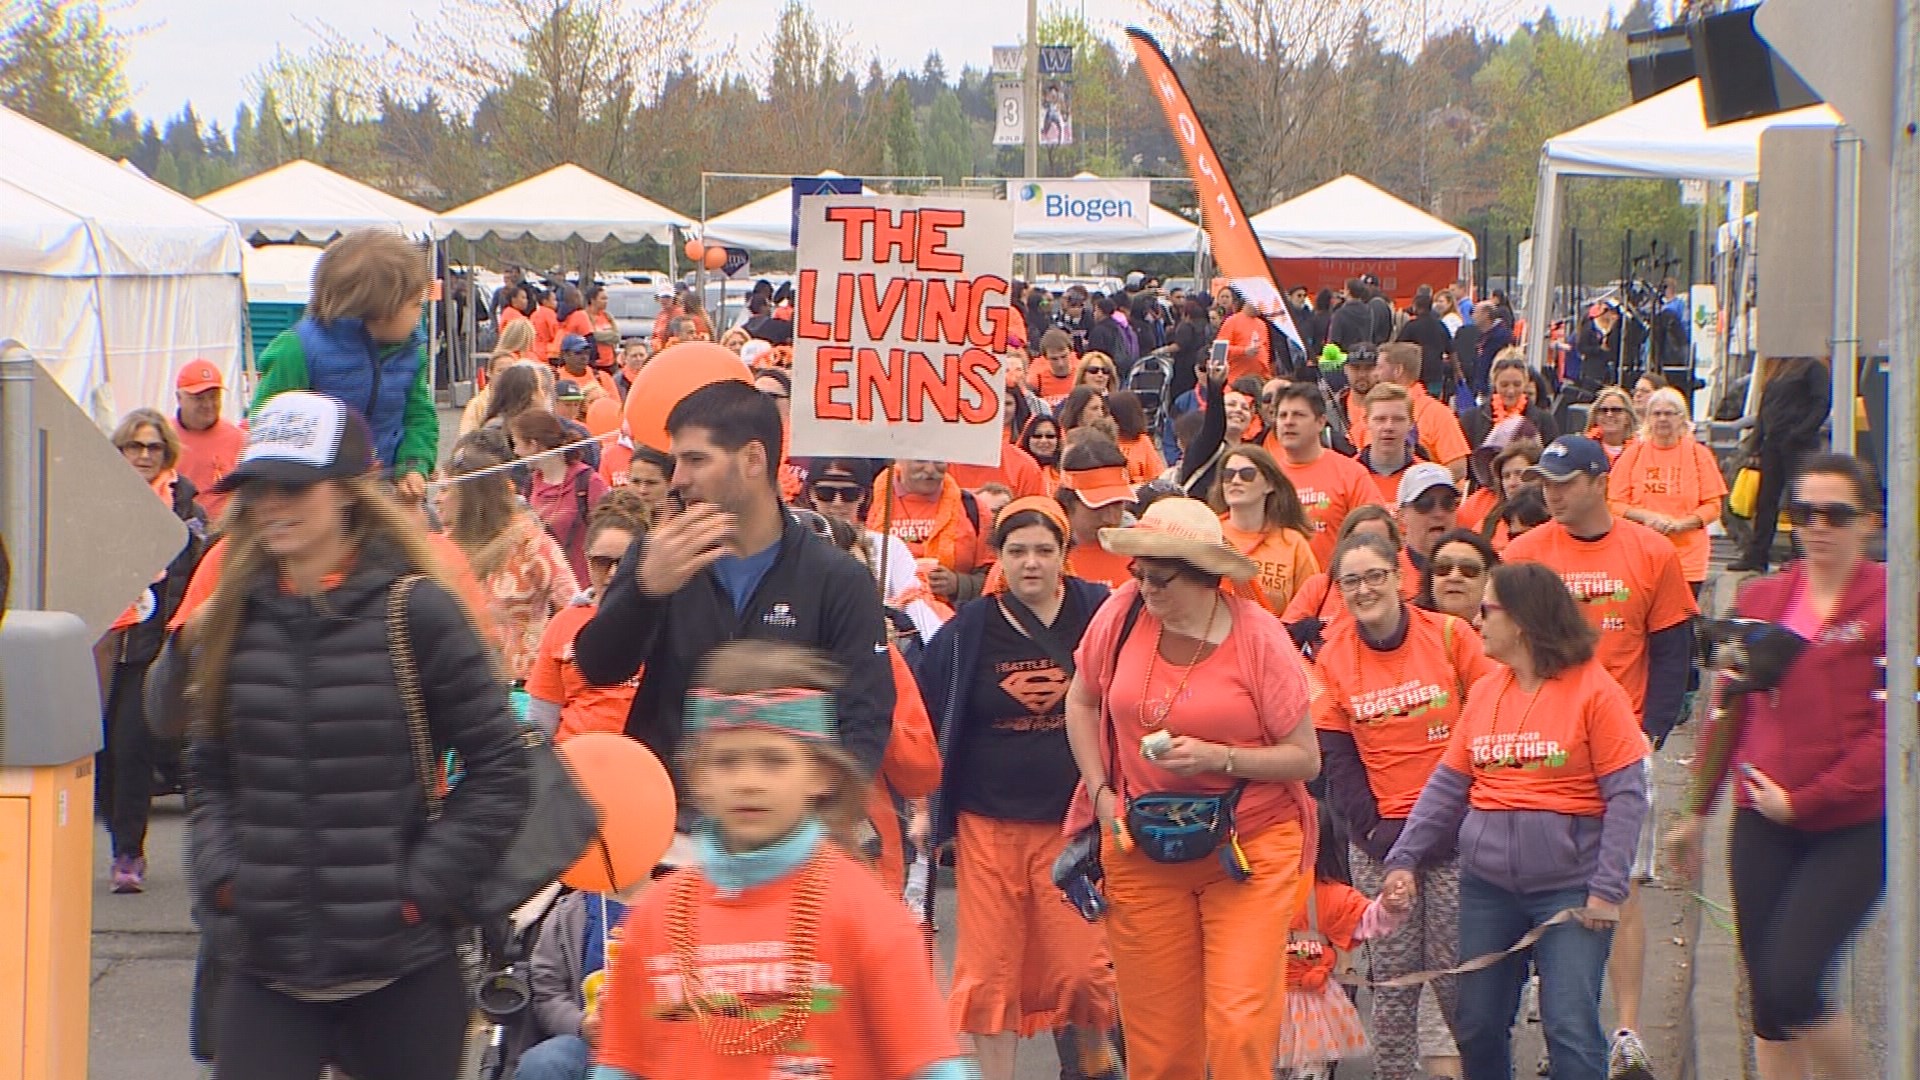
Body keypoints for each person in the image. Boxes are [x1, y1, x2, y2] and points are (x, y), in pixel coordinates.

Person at [183, 392, 529, 1080]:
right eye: (256, 488)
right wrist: (225, 879)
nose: (271, 504)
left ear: (345, 491)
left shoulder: (417, 611)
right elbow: (208, 771)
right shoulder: (232, 618)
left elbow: (501, 769)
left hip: (402, 974)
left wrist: (418, 889)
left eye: (293, 486)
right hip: (269, 968)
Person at [587, 643, 974, 1080]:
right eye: (727, 761)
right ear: (697, 777)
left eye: (774, 761)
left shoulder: (868, 914)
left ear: (821, 775)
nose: (749, 782)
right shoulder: (655, 919)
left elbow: (933, 1068)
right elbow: (618, 1066)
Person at [1063, 496, 1321, 1080]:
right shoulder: (1122, 614)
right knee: (1158, 1043)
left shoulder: (1260, 637)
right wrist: (1101, 793)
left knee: (1237, 1026)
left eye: (1160, 577)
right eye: (1138, 572)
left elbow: (1305, 759)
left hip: (1246, 848)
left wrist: (1218, 756)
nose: (1143, 586)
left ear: (1206, 577)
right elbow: (1080, 701)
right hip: (1141, 842)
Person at [1381, 562, 1648, 1080]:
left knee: (1568, 1025)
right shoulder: (1485, 692)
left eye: (1487, 610)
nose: (1476, 622)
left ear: (1522, 620)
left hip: (1569, 891)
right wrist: (1404, 859)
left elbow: (1628, 795)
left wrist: (1606, 891)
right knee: (1477, 1025)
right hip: (1488, 888)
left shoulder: (1596, 691)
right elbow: (1446, 786)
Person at [1669, 453, 1884, 1080]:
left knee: (1793, 981)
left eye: (1835, 515)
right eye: (1802, 513)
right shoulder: (1763, 597)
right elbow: (1727, 706)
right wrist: (1694, 813)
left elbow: (1891, 736)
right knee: (1768, 998)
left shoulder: (1894, 606)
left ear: (1868, 522)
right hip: (1764, 823)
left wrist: (1808, 799)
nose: (1816, 526)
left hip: (1852, 827)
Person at [574, 379, 895, 778]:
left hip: (789, 828)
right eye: (677, 463)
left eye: (696, 460)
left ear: (753, 460)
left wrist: (819, 820)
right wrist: (643, 592)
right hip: (674, 821)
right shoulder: (658, 554)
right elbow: (599, 668)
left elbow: (865, 717)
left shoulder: (837, 578)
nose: (678, 480)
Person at [1503, 435, 1698, 1070]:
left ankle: (1627, 1030)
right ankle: (1568, 1023)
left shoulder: (1650, 551)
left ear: (1599, 479)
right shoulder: (1526, 551)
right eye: (1544, 484)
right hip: (1541, 743)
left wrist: (1654, 732)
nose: (1550, 494)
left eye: (1564, 482)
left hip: (1619, 746)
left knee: (1623, 888)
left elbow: (1673, 650)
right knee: (1545, 884)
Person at [915, 498, 1122, 1080]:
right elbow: (921, 708)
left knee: (1083, 969)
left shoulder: (1098, 613)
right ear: (998, 558)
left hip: (1075, 826)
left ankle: (1090, 1068)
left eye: (1043, 551)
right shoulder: (970, 629)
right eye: (1017, 551)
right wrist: (922, 800)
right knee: (989, 971)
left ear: (1064, 556)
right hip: (988, 825)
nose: (1030, 563)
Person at [1313, 531, 1497, 1080]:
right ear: (1339, 591)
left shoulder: (1450, 636)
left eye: (1375, 576)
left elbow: (1486, 723)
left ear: (1400, 578)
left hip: (1455, 833)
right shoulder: (1334, 656)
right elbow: (1337, 759)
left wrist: (1449, 823)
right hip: (1380, 838)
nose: (1365, 589)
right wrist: (1378, 838)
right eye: (1351, 581)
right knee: (1392, 977)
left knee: (1454, 973)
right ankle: (1392, 1073)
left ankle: (1485, 1067)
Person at [102, 408, 209, 891]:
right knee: (102, 752)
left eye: (153, 448)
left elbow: (197, 568)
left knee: (132, 746)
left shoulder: (183, 504)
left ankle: (129, 853)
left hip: (153, 645)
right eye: (134, 447)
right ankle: (117, 835)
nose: (144, 456)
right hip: (104, 643)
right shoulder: (98, 499)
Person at [250, 229, 438, 499]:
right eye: (416, 304)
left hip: (386, 488)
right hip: (314, 494)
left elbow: (419, 417)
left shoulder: (409, 353)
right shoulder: (296, 350)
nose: (420, 315)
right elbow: (267, 427)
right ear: (383, 310)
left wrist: (414, 465)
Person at [1275, 826, 1413, 1080]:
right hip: (1263, 1006)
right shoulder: (1245, 895)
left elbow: (1368, 919)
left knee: (1308, 1071)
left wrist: (1389, 906)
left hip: (1311, 1008)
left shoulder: (1328, 896)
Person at [444, 429, 580, 683]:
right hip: (460, 681)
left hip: (523, 683)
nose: (438, 497)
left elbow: (573, 607)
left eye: (447, 488)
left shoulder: (529, 543)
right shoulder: (442, 546)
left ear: (471, 497)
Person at [524, 491, 650, 743]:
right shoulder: (563, 623)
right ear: (587, 560)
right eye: (602, 562)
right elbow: (541, 721)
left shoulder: (662, 619)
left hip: (643, 762)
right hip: (574, 761)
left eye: (624, 562)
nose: (613, 573)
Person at [806, 458, 949, 645]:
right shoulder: (793, 544)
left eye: (849, 494)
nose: (838, 503)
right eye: (826, 493)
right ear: (812, 494)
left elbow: (914, 603)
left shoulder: (890, 548)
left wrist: (939, 648)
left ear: (864, 496)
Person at [1609, 387, 1726, 595]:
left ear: (1682, 418)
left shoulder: (1699, 454)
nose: (1662, 419)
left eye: (1669, 413)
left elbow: (1713, 507)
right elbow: (1613, 503)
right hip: (1640, 555)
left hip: (1687, 560)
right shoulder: (1633, 454)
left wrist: (1681, 525)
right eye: (1656, 413)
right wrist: (1647, 517)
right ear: (1648, 419)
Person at [520, 881, 631, 1080]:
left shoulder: (682, 909)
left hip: (667, 1043)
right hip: (587, 1042)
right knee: (545, 1062)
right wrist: (581, 1024)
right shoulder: (569, 913)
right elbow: (547, 990)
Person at [1729, 357, 1832, 573]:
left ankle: (1800, 554)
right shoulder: (1778, 367)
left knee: (1799, 500)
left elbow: (1821, 403)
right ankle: (1757, 555)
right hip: (1773, 443)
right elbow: (1764, 410)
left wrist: (1801, 432)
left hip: (1799, 445)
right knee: (1765, 501)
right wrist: (1756, 443)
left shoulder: (1812, 367)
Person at [1268, 382, 1382, 568]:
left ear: (1321, 422)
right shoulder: (1266, 478)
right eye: (1282, 415)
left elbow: (1376, 532)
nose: (1288, 422)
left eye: (1298, 415)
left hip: (1335, 588)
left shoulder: (1350, 473)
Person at [1214, 444, 1319, 615]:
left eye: (1247, 474)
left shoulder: (1293, 543)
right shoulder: (1209, 535)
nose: (1235, 480)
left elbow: (1310, 604)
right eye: (1228, 475)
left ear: (1269, 484)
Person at [870, 459, 991, 605]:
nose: (930, 469)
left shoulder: (973, 507)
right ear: (900, 459)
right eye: (920, 460)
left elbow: (996, 579)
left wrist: (958, 584)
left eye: (939, 461)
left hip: (952, 620)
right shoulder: (868, 501)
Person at [1282, 505, 1416, 635]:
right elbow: (1286, 637)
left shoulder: (1412, 587)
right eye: (1358, 540)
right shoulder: (1319, 586)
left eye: (1377, 540)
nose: (1366, 547)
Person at [511, 409, 610, 584]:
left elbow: (608, 533)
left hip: (583, 587)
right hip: (545, 590)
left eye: (517, 444)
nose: (516, 452)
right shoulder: (530, 485)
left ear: (533, 445)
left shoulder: (588, 482)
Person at [1365, 344, 1472, 480]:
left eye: (1379, 367)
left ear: (1398, 370)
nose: (1375, 374)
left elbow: (1458, 469)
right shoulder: (1371, 408)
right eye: (1380, 419)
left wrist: (1421, 486)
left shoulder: (1437, 414)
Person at [171, 359, 248, 521]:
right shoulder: (163, 436)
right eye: (199, 398)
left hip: (222, 533)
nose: (208, 404)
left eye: (214, 397)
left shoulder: (239, 440)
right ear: (179, 398)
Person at [1463, 351, 1557, 450]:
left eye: (1517, 384)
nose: (1511, 391)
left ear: (1525, 382)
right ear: (1494, 383)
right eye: (1504, 385)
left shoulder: (1545, 421)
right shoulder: (1471, 419)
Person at [461, 322, 539, 436]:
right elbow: (466, 438)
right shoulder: (479, 404)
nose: (505, 375)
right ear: (489, 372)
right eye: (500, 371)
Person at [1357, 383, 1423, 504]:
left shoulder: (1424, 477)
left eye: (1398, 419)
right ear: (1366, 422)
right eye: (1380, 419)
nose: (1389, 427)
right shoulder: (1347, 475)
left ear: (1411, 423)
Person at [1418, 528, 1500, 623]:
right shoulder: (1407, 627)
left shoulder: (1508, 632)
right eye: (1443, 567)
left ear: (1489, 579)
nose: (1454, 577)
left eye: (1468, 569)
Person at [1395, 462, 1462, 575]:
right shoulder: (1390, 573)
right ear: (1402, 516)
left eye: (1448, 503)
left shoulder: (1473, 570)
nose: (1439, 513)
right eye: (1425, 504)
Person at [1396, 291, 1453, 397]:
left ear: (1415, 306)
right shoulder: (1440, 325)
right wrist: (1458, 373)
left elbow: (1399, 348)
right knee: (1433, 402)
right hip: (1436, 373)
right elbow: (1452, 351)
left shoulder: (1411, 326)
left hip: (1416, 374)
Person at [1215, 288, 1272, 383]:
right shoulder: (1232, 321)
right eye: (1260, 304)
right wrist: (1243, 351)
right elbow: (1220, 350)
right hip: (1237, 380)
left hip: (1259, 380)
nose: (1263, 308)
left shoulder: (1262, 324)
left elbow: (1266, 351)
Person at [1021, 415, 1065, 491]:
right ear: (1027, 439)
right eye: (1037, 436)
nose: (1043, 441)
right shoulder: (1018, 469)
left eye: (1050, 436)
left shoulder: (1067, 470)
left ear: (1058, 440)